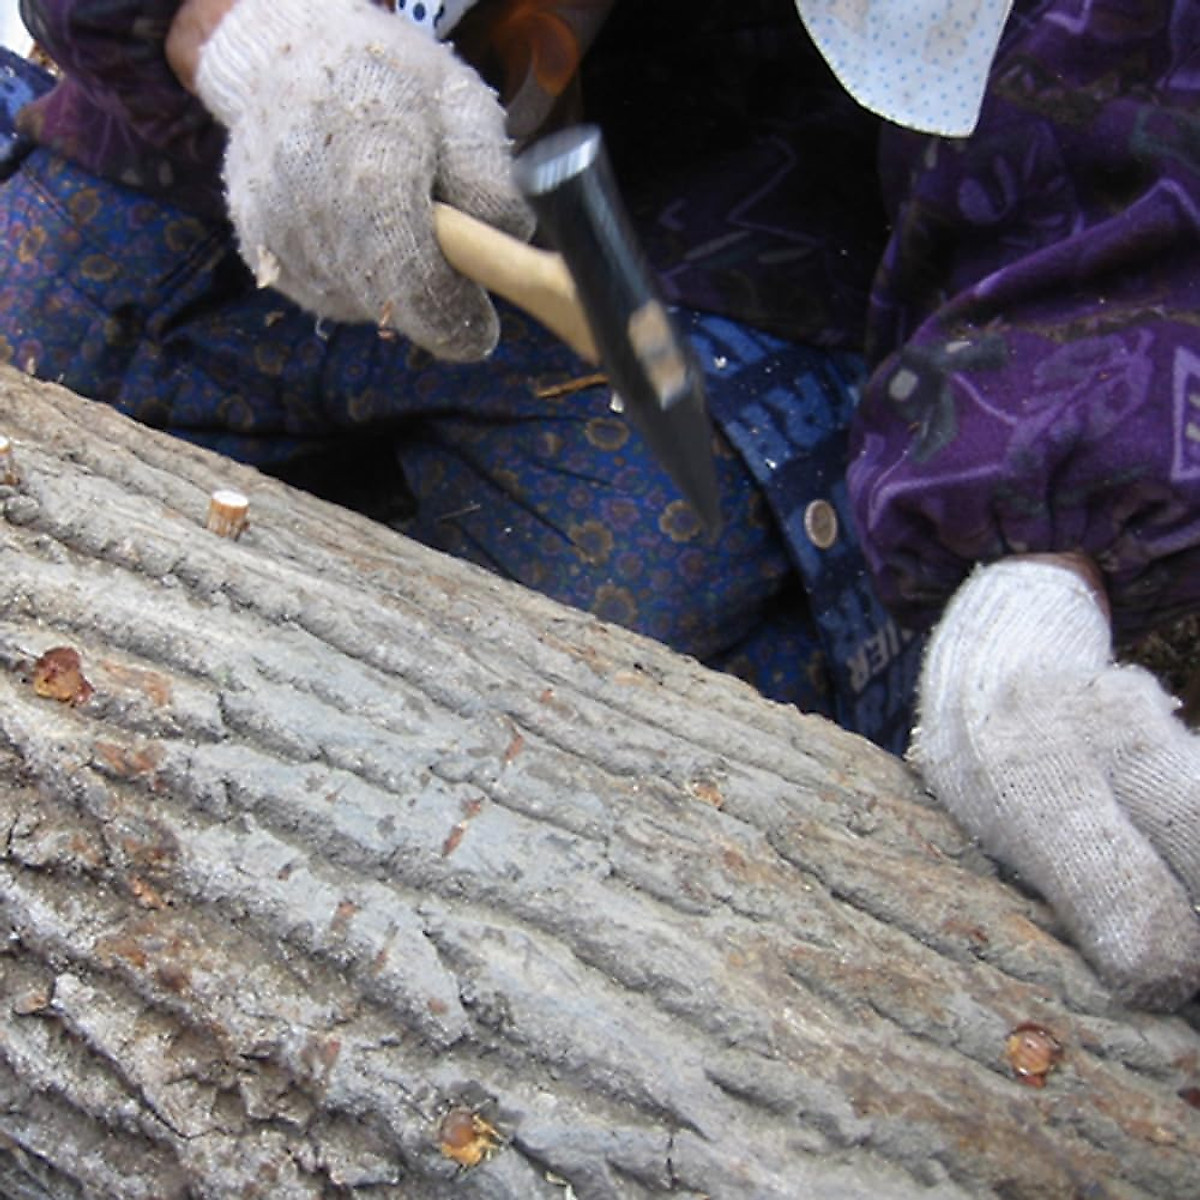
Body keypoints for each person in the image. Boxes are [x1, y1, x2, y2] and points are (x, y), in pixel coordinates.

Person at [1, 0, 1198, 1010]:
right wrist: (237, 34)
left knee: (593, 749)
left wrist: (1044, 564)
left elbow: (1123, 116)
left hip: (730, 220)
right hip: (217, 126)